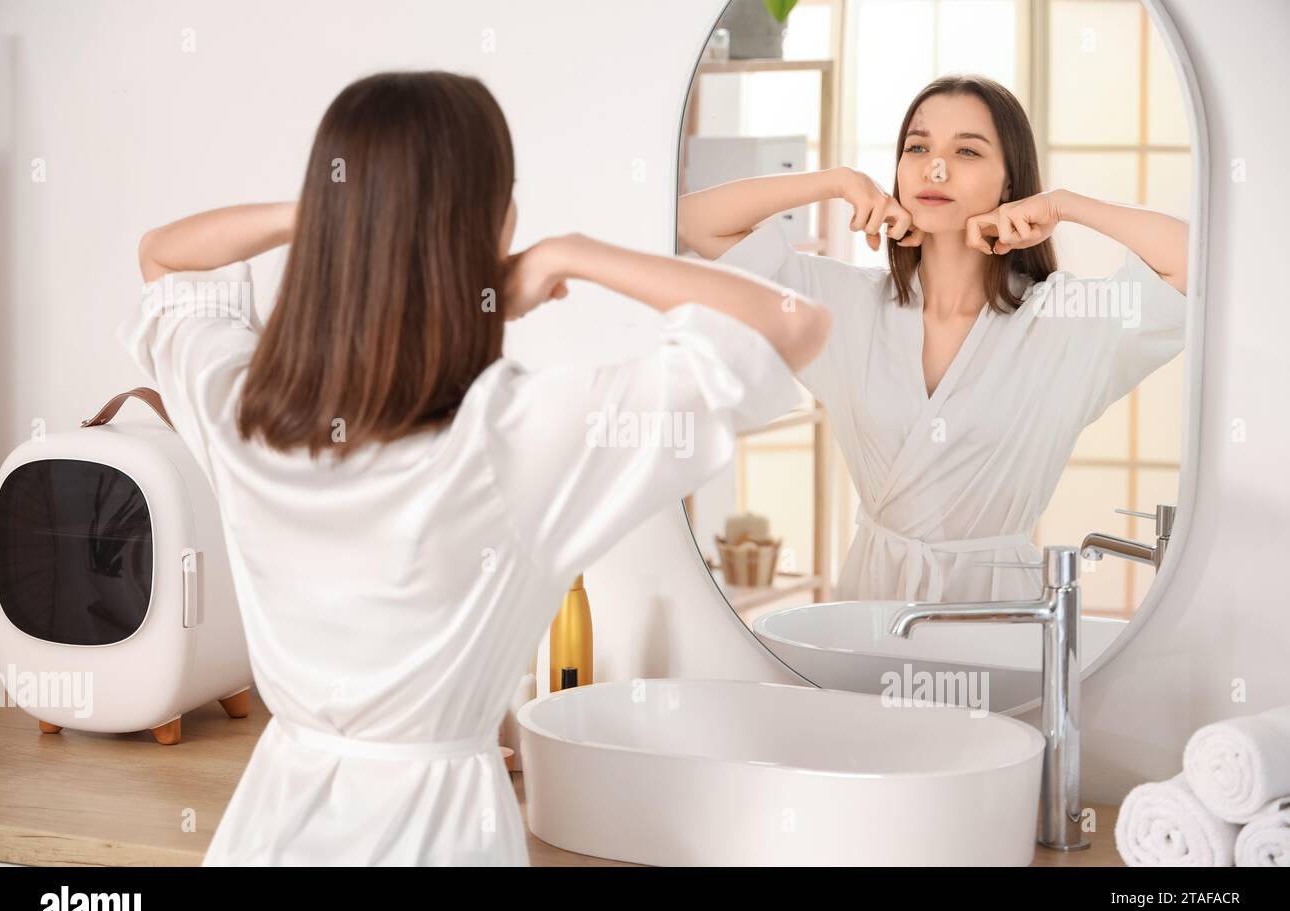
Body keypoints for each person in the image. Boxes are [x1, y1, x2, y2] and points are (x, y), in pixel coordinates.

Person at [120, 70, 830, 865]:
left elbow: (163, 256)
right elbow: (790, 327)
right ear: (498, 221)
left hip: (268, 833)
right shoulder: (518, 439)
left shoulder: (244, 411)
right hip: (438, 838)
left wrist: (342, 214)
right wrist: (574, 254)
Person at [678, 73, 1189, 604]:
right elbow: (694, 223)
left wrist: (1064, 205)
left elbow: (1196, 265)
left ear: (1010, 183)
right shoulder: (844, 305)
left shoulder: (1063, 321)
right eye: (917, 147)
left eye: (967, 151)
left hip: (998, 611)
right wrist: (836, 181)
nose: (934, 168)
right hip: (869, 606)